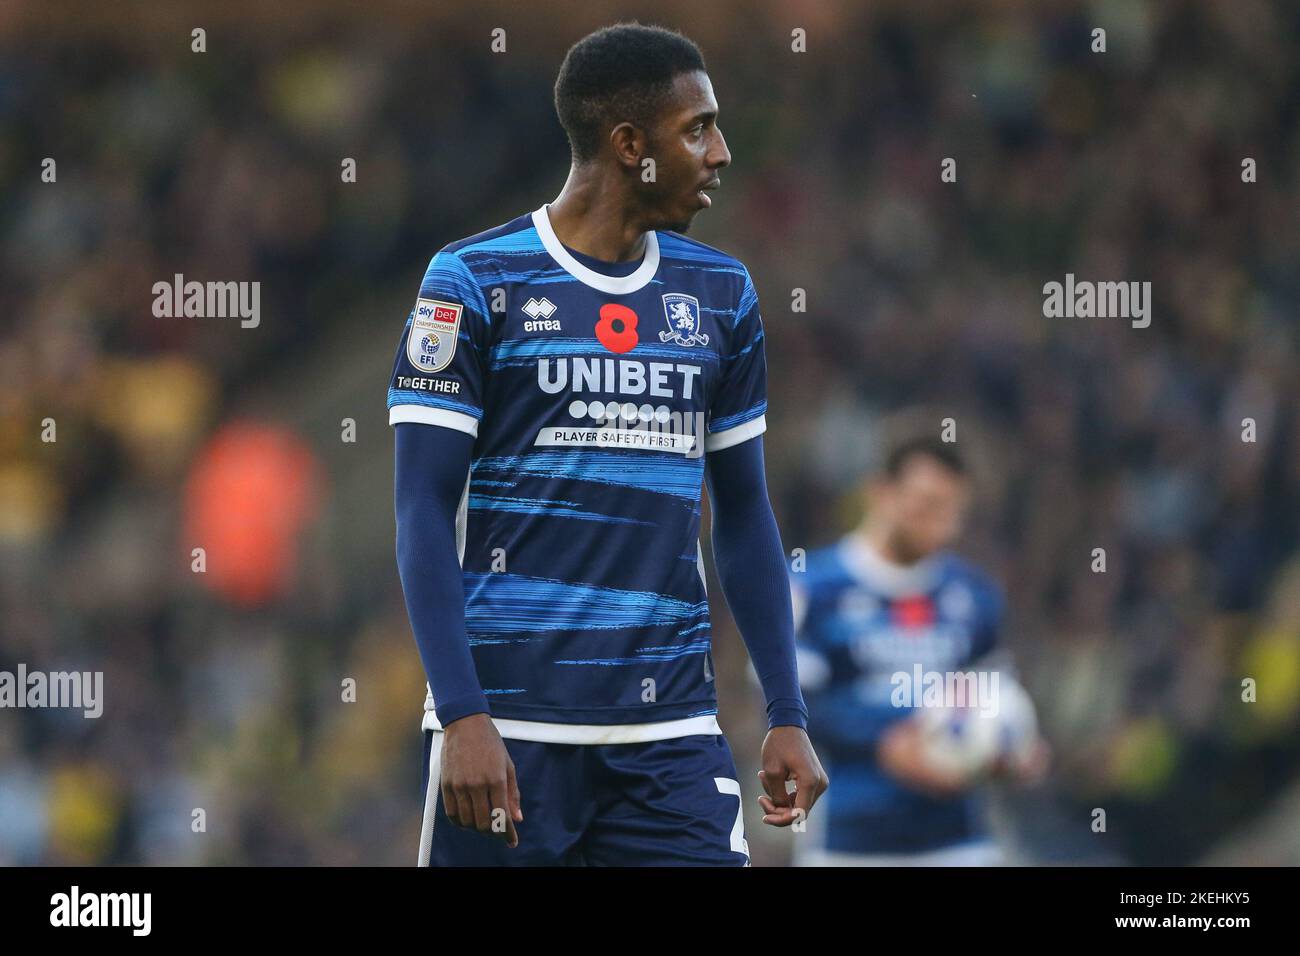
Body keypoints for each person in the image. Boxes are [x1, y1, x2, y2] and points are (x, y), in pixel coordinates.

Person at [389, 22, 826, 866]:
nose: (721, 151)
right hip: (509, 735)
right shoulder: (473, 281)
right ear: (630, 146)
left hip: (670, 739)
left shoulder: (719, 294)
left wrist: (786, 712)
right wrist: (464, 714)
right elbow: (420, 509)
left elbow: (742, 515)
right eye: (697, 128)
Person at [791, 435, 1049, 866]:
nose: (942, 525)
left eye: (952, 511)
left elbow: (997, 697)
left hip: (957, 842)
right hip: (848, 841)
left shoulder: (974, 594)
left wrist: (1016, 748)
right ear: (880, 492)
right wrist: (883, 745)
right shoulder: (812, 587)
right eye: (927, 504)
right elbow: (787, 706)